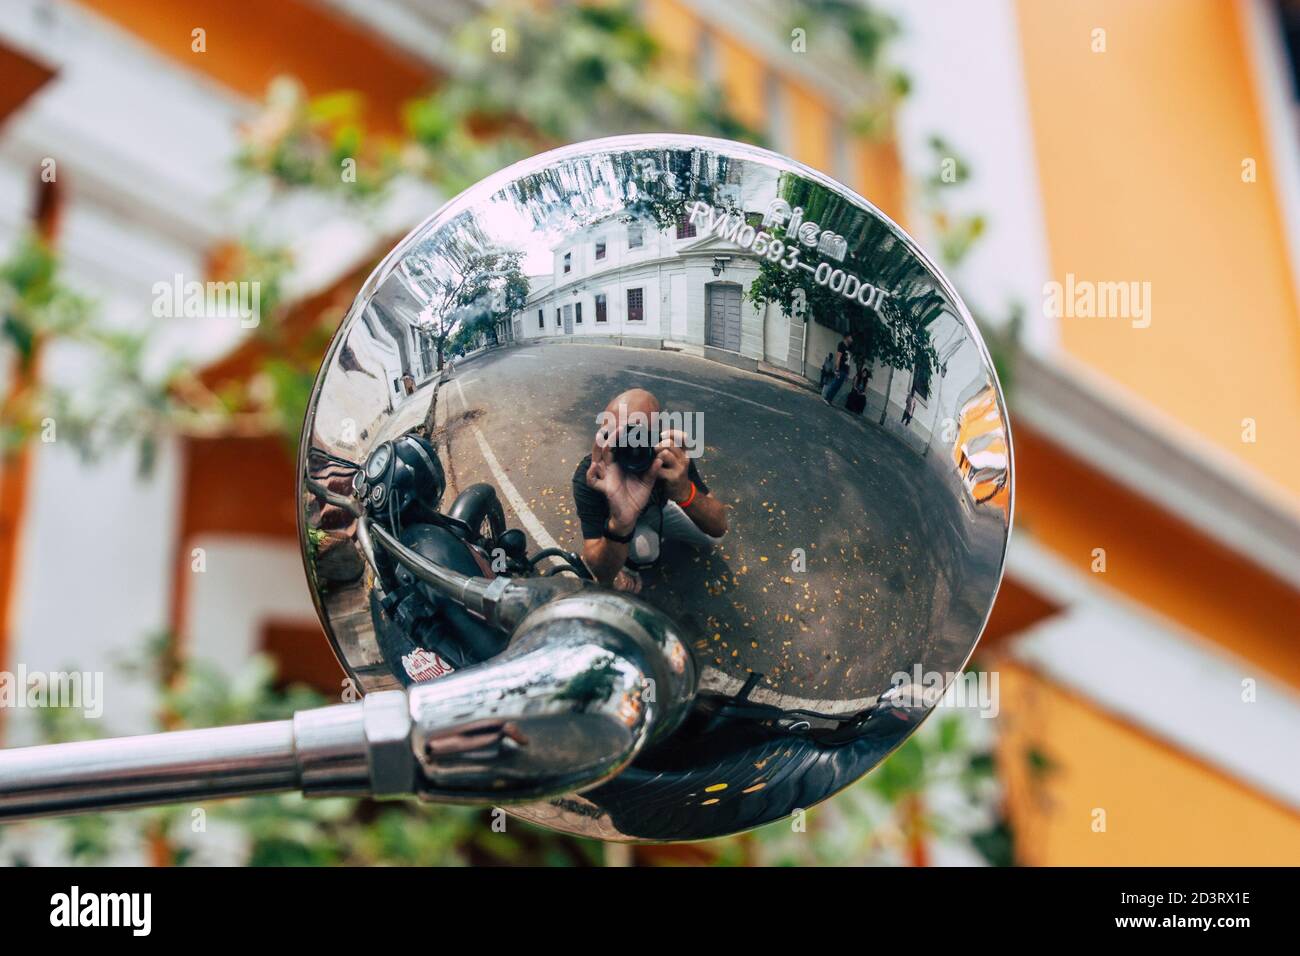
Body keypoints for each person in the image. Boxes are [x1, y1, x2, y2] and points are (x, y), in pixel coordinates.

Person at [572, 388, 728, 592]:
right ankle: (626, 563)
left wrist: (683, 491)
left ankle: (640, 537)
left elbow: (719, 526)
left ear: (657, 437)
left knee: (712, 536)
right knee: (647, 551)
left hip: (659, 510)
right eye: (614, 436)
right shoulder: (592, 474)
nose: (626, 447)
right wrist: (620, 524)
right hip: (615, 523)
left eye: (635, 436)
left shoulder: (669, 459)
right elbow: (601, 572)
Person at [822, 331, 853, 405]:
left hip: (845, 370)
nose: (852, 339)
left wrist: (848, 372)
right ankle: (827, 397)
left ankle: (830, 400)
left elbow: (848, 361)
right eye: (851, 337)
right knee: (835, 384)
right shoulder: (841, 345)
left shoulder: (849, 348)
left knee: (838, 386)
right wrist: (837, 369)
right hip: (841, 369)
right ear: (847, 337)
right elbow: (838, 357)